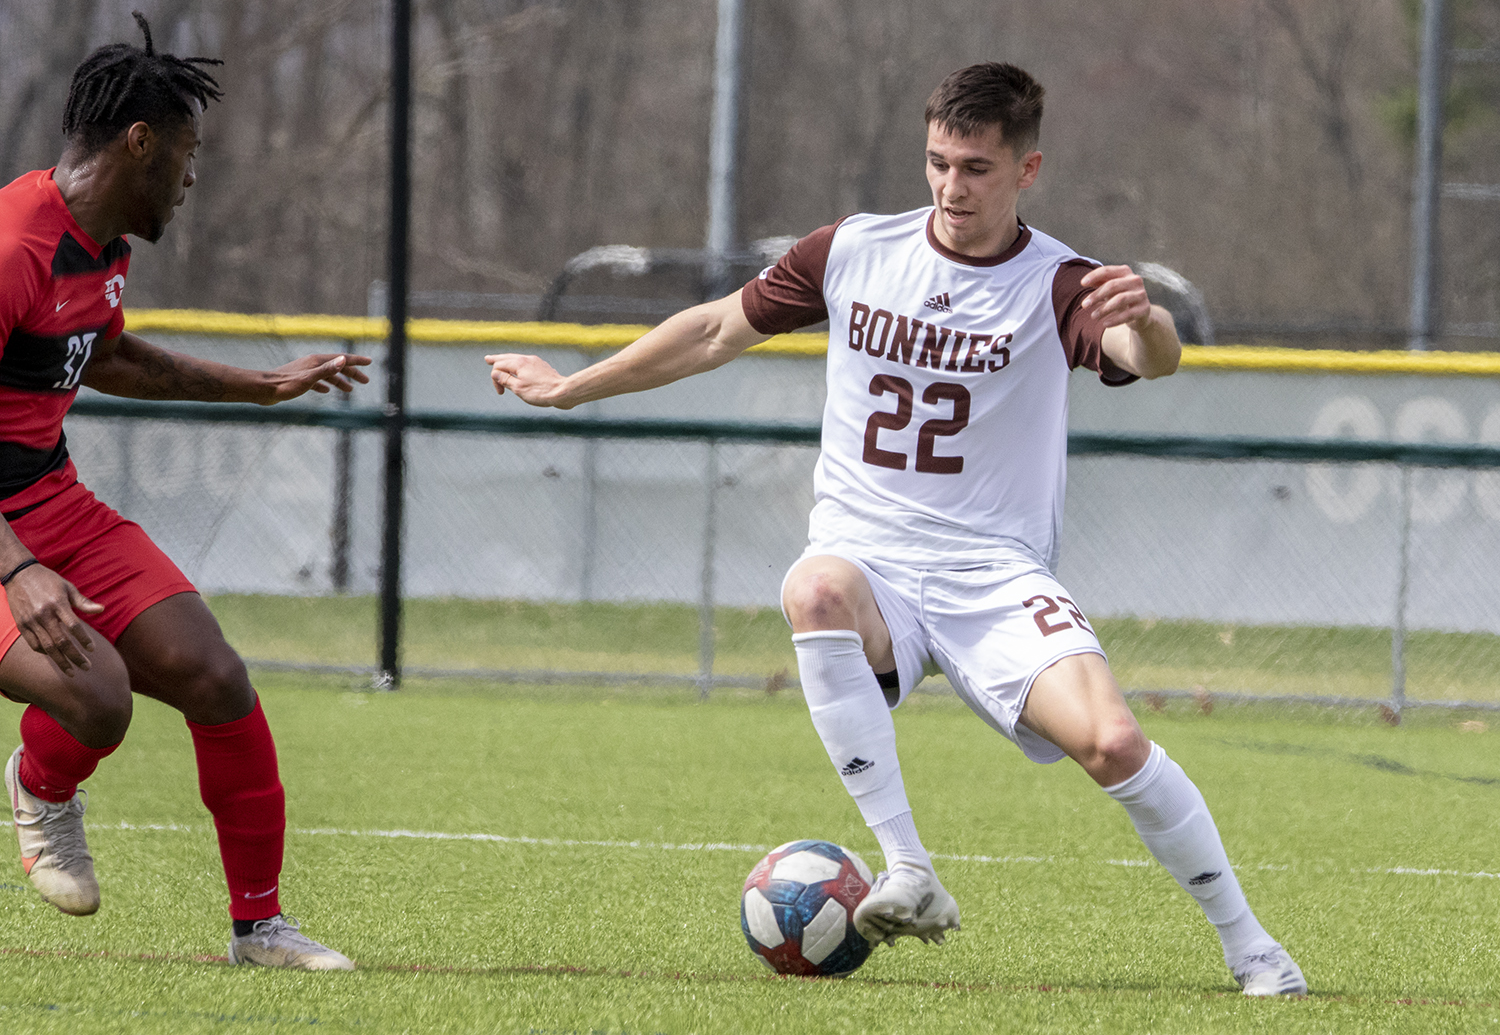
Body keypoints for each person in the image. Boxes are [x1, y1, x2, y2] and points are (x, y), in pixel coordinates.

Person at [486, 62, 1306, 996]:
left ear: (1026, 169)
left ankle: (1252, 946)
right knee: (812, 586)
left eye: (977, 169)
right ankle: (909, 868)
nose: (954, 187)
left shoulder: (1059, 281)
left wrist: (1150, 323)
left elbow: (1145, 358)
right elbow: (715, 330)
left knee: (1114, 744)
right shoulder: (853, 250)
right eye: (938, 163)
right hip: (870, 560)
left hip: (992, 573)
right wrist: (570, 386)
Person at [0, 13, 368, 971]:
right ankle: (41, 785)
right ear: (140, 142)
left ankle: (261, 930)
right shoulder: (12, 246)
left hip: (50, 501)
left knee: (215, 676)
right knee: (103, 701)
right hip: (6, 535)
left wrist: (262, 383)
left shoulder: (105, 246)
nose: (193, 175)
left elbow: (110, 357)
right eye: (188, 152)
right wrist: (19, 568)